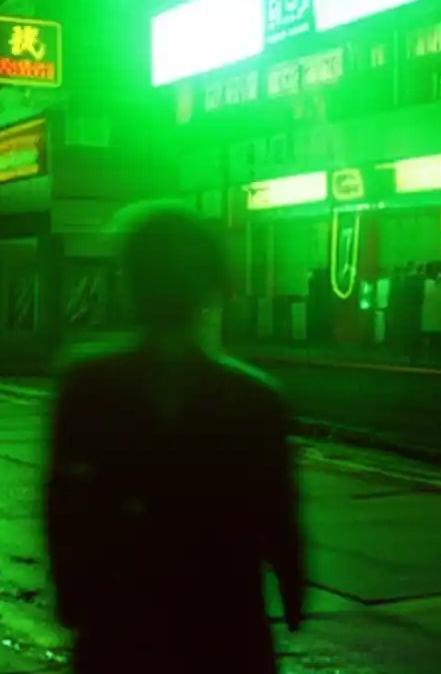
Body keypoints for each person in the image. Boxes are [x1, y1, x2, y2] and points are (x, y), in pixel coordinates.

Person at [46, 201, 304, 673]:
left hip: (121, 626)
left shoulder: (87, 384)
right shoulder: (255, 398)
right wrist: (293, 592)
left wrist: (72, 594)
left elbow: (64, 506)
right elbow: (278, 512)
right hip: (226, 625)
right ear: (211, 286)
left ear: (130, 283)